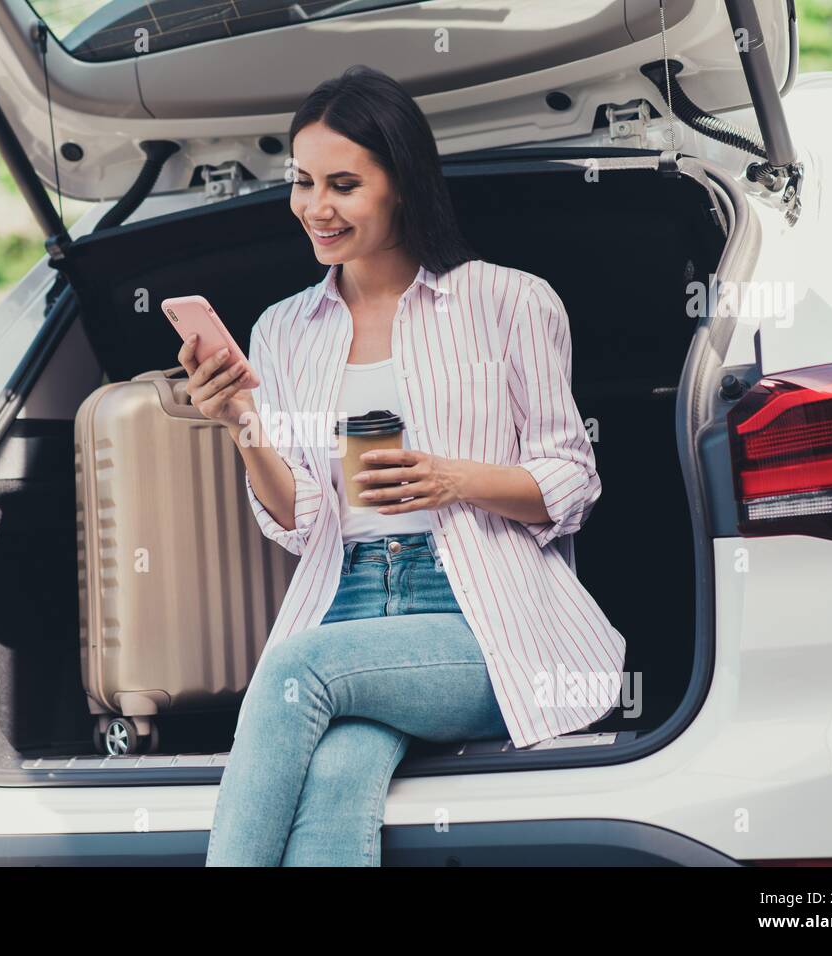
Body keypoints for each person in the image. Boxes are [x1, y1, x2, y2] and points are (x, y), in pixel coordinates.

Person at [182, 65, 625, 866]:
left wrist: (454, 479)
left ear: (403, 185)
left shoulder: (510, 301)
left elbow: (572, 480)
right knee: (343, 770)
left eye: (344, 184)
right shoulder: (283, 329)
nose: (317, 208)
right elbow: (301, 519)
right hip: (346, 603)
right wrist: (244, 423)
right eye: (303, 182)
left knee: (295, 669)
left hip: (484, 615)